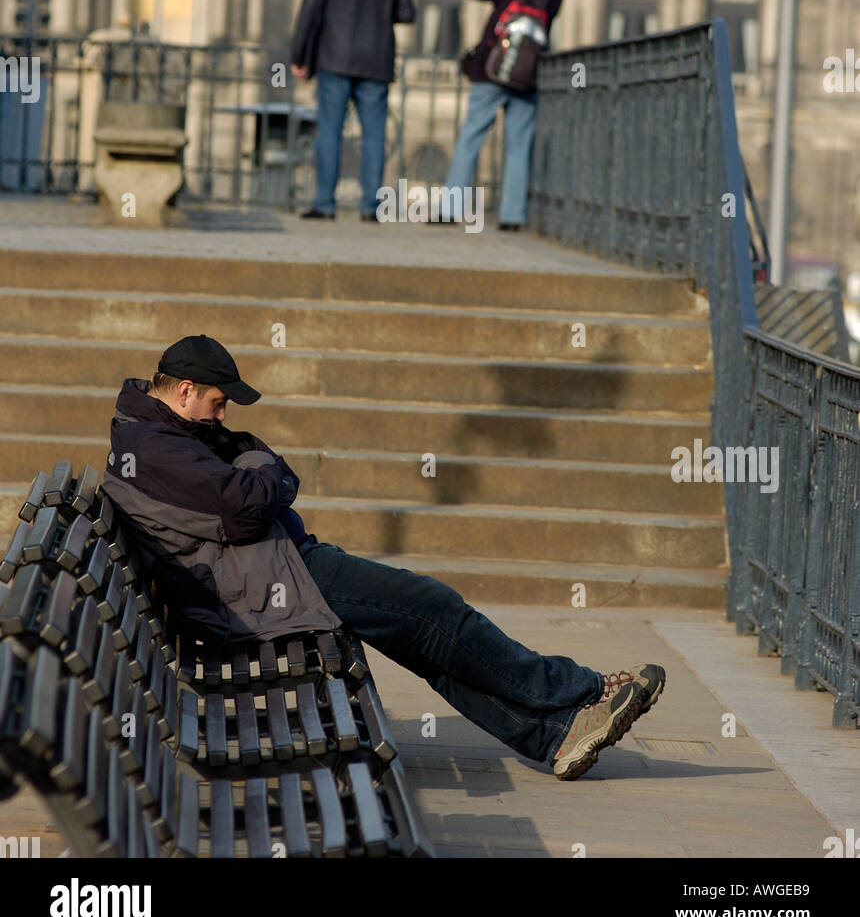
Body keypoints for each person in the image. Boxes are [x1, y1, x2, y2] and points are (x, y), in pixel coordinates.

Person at [100, 335, 667, 782]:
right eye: (218, 403)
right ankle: (580, 691)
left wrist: (260, 467)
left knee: (422, 636)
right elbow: (249, 500)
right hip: (259, 590)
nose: (223, 417)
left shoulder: (167, 431)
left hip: (272, 569)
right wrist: (262, 469)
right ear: (185, 391)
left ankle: (555, 737)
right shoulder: (154, 449)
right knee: (433, 609)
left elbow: (261, 462)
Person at [289, 0, 416, 222]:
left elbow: (309, 13)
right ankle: (371, 207)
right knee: (374, 135)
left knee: (329, 132)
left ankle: (324, 204)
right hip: (376, 62)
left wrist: (298, 56)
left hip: (333, 59)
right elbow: (407, 14)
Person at [441, 0, 563, 231]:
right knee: (518, 146)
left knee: (471, 137)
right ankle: (512, 216)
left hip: (491, 72)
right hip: (527, 77)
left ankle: (451, 209)